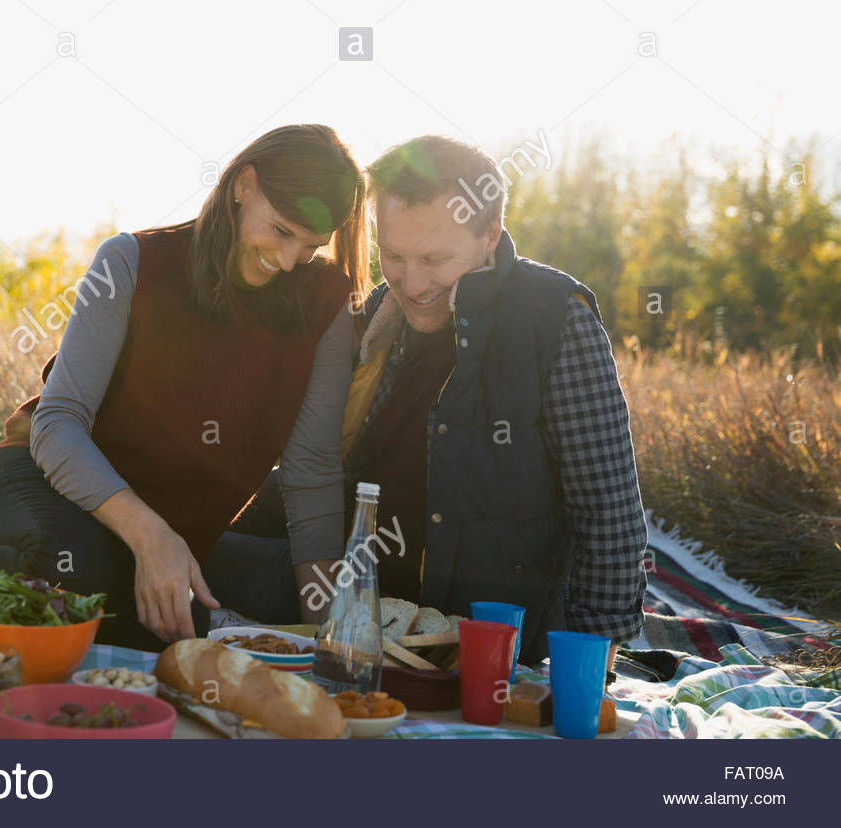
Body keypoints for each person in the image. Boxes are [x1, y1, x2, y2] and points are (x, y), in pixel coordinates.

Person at [0, 124, 369, 652]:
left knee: (304, 594)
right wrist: (151, 537)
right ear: (244, 185)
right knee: (76, 573)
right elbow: (58, 424)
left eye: (310, 246)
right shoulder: (132, 262)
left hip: (170, 539)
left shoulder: (325, 303)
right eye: (282, 231)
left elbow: (311, 469)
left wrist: (323, 638)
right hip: (41, 489)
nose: (289, 261)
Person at [236, 134, 648, 670]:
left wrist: (594, 672)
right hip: (362, 608)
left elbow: (609, 512)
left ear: (489, 235)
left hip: (487, 640)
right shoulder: (377, 317)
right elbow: (324, 469)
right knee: (184, 553)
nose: (412, 282)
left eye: (435, 259)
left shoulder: (554, 319)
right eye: (394, 255)